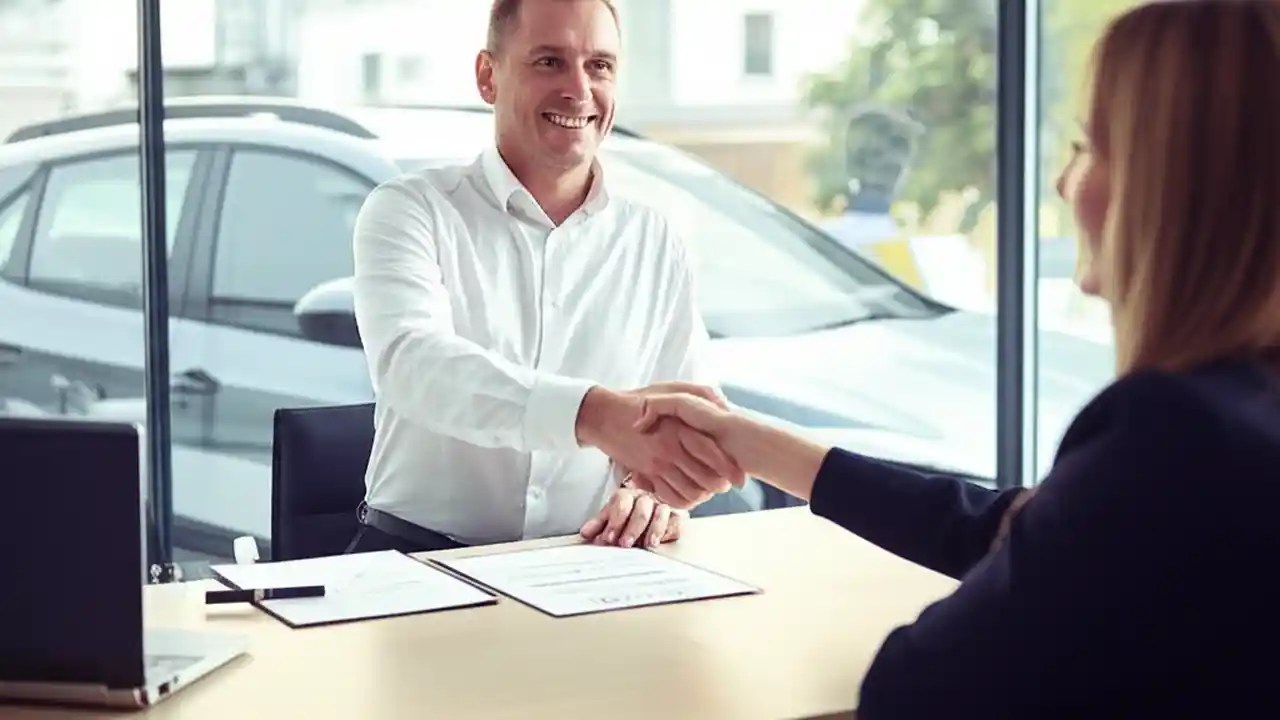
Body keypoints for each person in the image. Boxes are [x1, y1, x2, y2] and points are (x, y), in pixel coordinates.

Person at [631, 1, 1280, 716]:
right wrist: (758, 444)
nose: (1066, 184)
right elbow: (1001, 527)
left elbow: (915, 688)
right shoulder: (1247, 407)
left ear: (1171, 183)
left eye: (1088, 147)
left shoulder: (1172, 433)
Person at [347, 0, 743, 555]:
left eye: (599, 65)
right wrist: (596, 415)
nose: (579, 90)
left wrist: (655, 492)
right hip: (416, 562)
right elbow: (413, 365)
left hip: (586, 563)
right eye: (550, 62)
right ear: (489, 75)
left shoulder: (656, 241)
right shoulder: (410, 210)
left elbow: (687, 415)